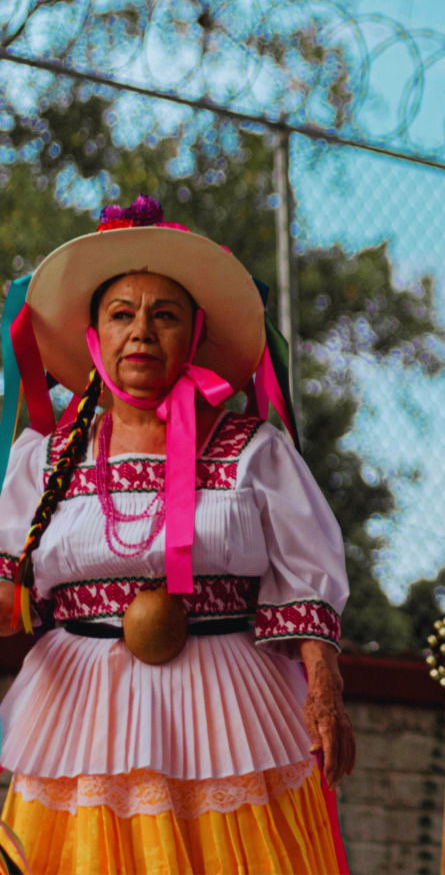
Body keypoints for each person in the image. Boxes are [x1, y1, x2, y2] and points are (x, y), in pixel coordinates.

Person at [0, 197, 352, 874]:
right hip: (78, 709)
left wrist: (324, 687)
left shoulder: (254, 450)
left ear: (192, 336)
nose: (141, 331)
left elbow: (305, 573)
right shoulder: (43, 459)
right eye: (122, 314)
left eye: (164, 315)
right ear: (94, 338)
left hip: (227, 706)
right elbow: (7, 580)